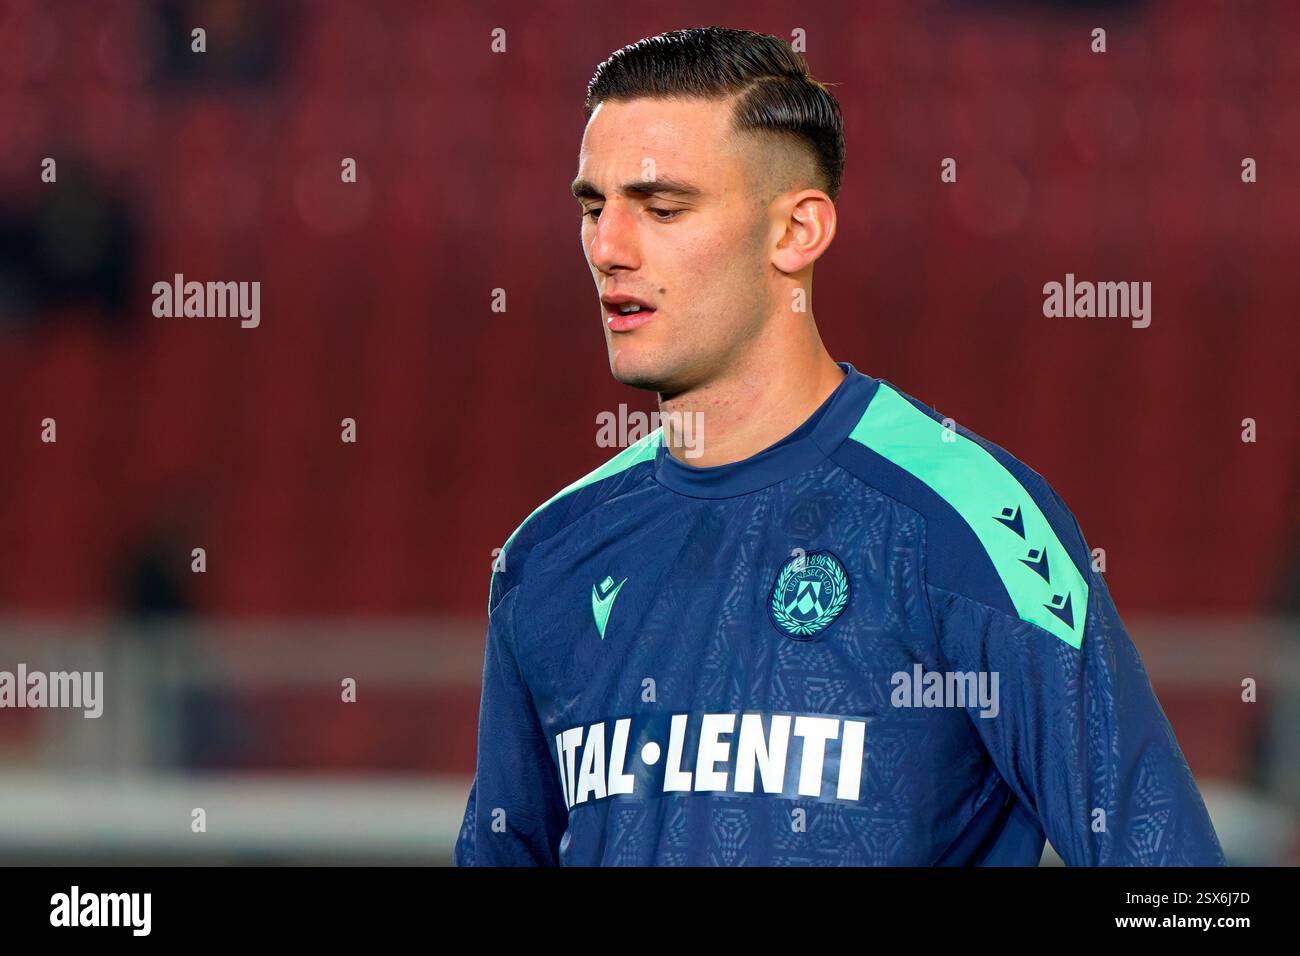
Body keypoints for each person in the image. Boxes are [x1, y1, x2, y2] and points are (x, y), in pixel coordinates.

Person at [454, 26, 1224, 866]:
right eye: (593, 207)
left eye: (662, 208)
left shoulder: (970, 524)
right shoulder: (549, 556)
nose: (608, 249)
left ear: (797, 231)